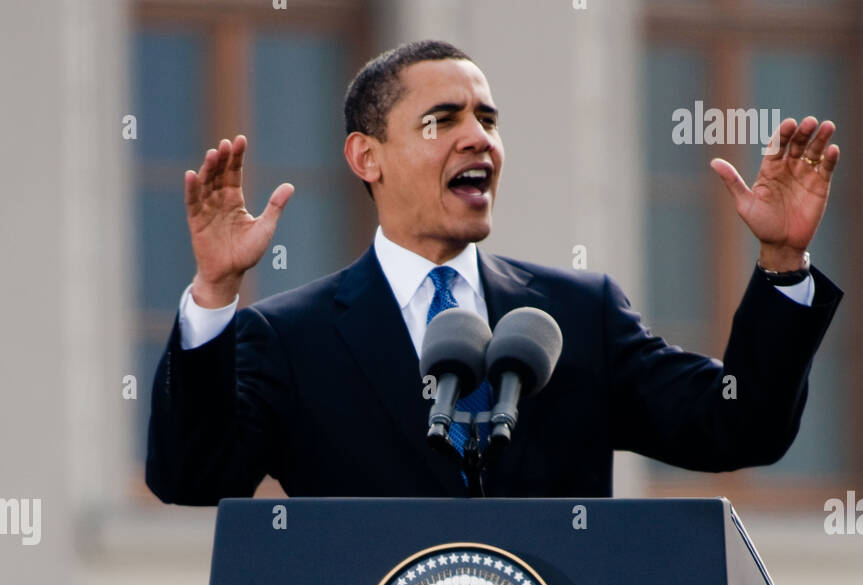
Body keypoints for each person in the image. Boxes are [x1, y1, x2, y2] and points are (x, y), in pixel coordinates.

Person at [146, 39, 842, 504]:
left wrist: (781, 262)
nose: (477, 137)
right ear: (367, 157)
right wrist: (214, 294)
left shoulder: (574, 315)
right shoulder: (290, 337)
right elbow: (193, 477)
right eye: (442, 119)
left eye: (486, 117)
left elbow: (736, 427)